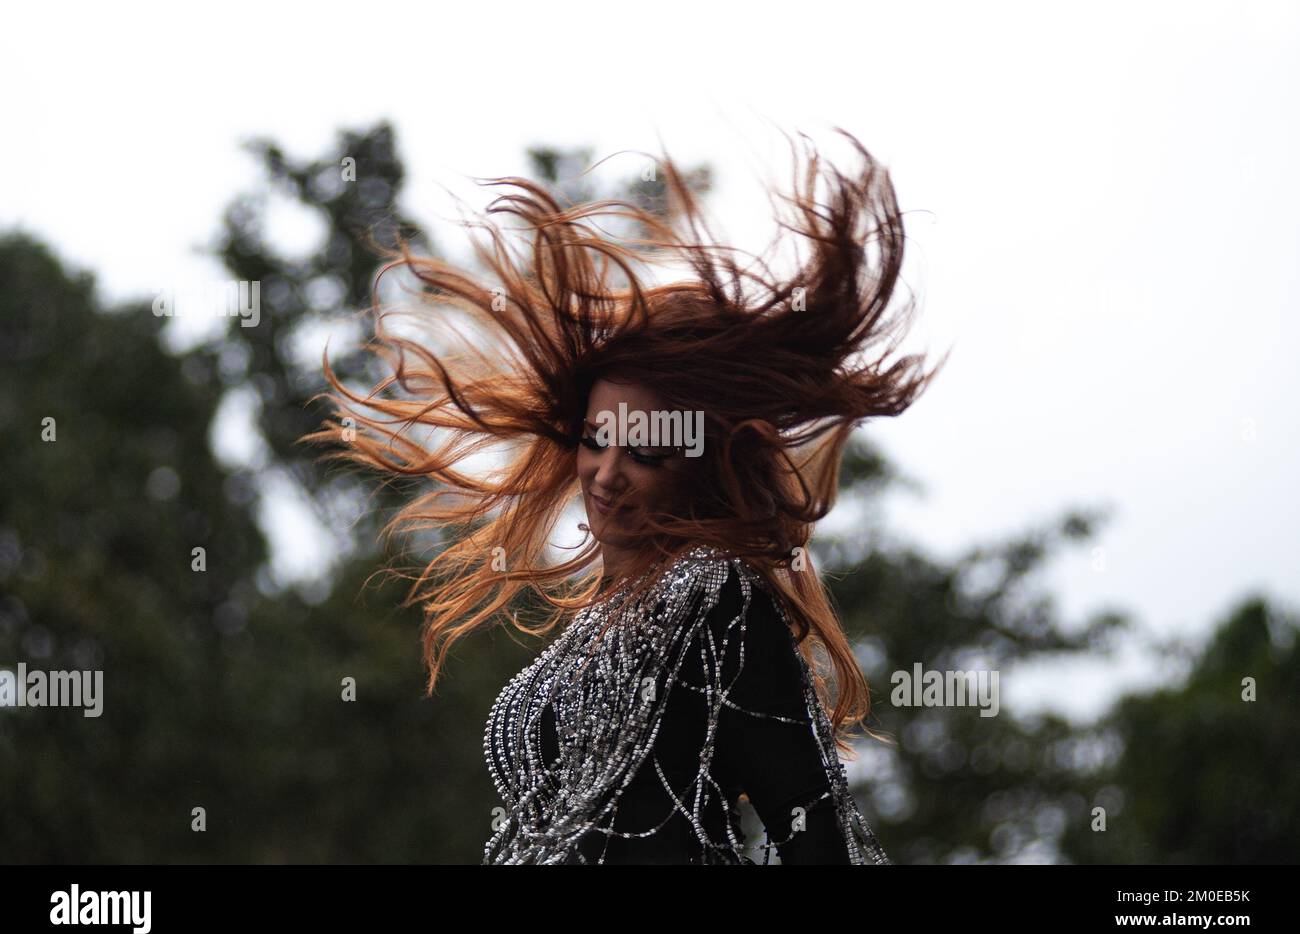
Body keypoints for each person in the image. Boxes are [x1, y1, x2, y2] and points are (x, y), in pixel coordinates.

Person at [307, 127, 947, 864]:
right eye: (594, 439)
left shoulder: (719, 600)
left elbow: (814, 827)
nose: (607, 473)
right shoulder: (598, 625)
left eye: (643, 451)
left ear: (697, 466)